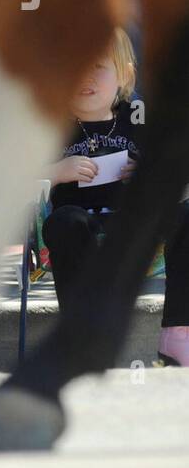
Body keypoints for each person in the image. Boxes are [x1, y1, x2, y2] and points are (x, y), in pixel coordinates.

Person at [42, 28, 188, 366]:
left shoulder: (138, 119)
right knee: (66, 222)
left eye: (98, 66)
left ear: (124, 75)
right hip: (79, 231)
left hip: (137, 234)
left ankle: (178, 334)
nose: (86, 76)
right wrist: (56, 170)